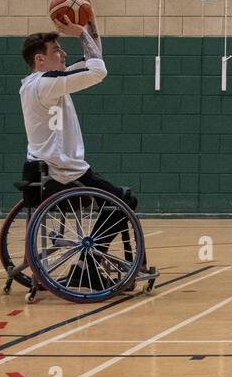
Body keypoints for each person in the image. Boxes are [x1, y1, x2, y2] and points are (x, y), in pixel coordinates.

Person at [19, 16, 149, 291]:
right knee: (125, 201)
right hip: (64, 176)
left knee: (120, 199)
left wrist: (88, 25)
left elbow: (94, 60)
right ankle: (87, 265)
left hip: (56, 172)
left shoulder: (42, 83)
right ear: (40, 60)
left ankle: (89, 263)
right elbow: (99, 71)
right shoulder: (45, 83)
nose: (63, 54)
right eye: (57, 51)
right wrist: (80, 32)